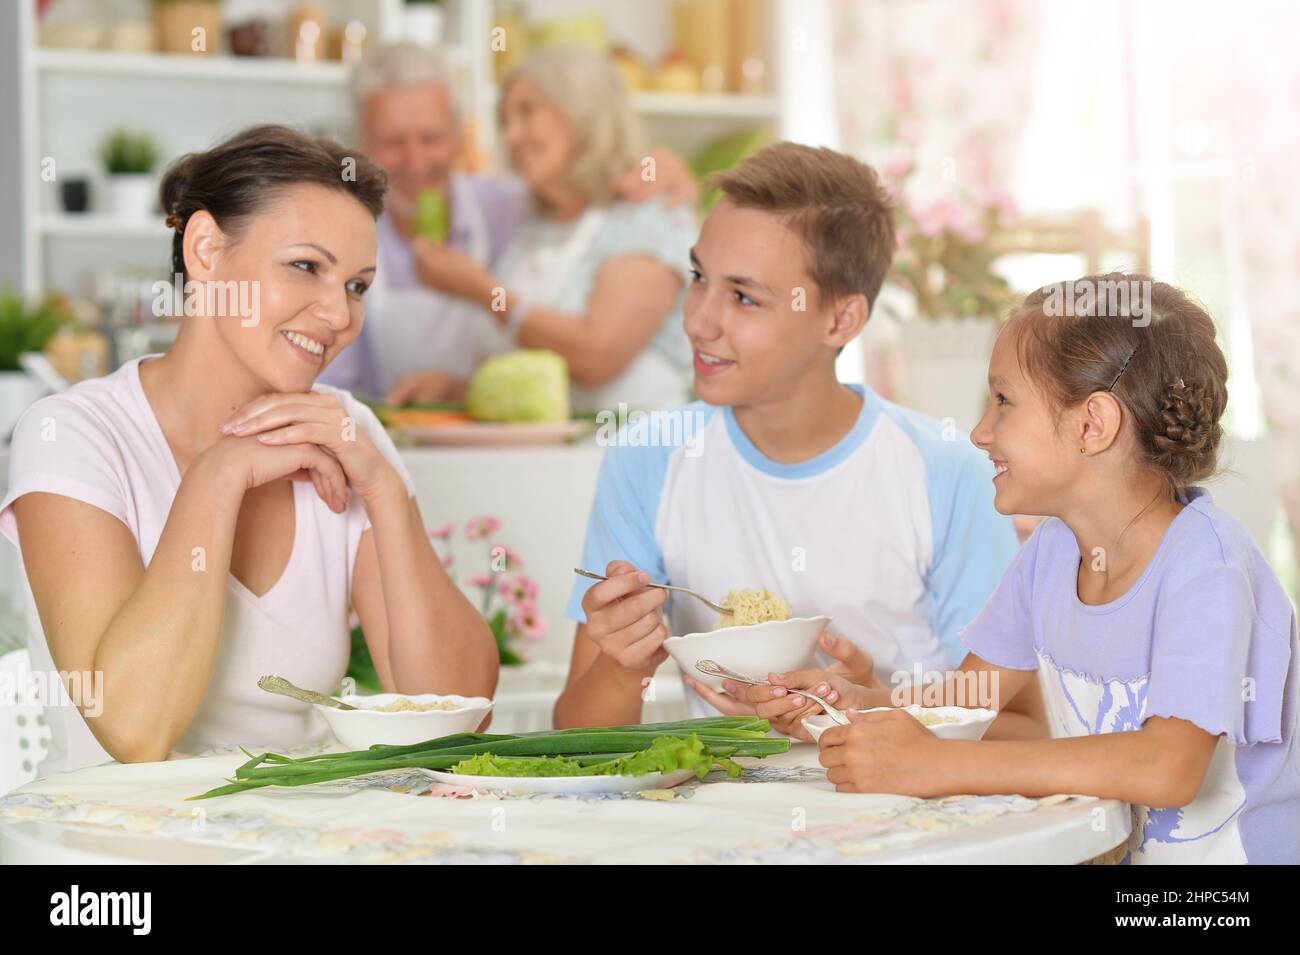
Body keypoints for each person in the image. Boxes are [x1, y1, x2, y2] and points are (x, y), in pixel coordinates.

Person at [0, 125, 498, 777]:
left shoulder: (342, 431)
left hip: (296, 839)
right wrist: (220, 474)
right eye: (305, 266)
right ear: (205, 249)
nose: (339, 314)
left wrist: (386, 494)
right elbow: (133, 726)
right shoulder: (74, 434)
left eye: (357, 285)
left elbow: (456, 712)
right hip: (114, 847)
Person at [771, 276, 1300, 863]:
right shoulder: (1050, 552)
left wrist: (939, 764)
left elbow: (1168, 766)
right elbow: (968, 705)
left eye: (1002, 401)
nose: (979, 432)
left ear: (1092, 424)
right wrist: (863, 708)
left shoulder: (1207, 567)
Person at [555, 142, 1032, 733]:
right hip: (731, 810)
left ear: (841, 321)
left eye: (744, 297)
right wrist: (621, 669)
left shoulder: (946, 471)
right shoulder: (648, 459)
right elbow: (575, 735)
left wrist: (876, 706)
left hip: (908, 813)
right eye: (699, 277)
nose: (697, 320)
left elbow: (1022, 728)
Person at [319, 42, 697, 406]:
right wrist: (458, 392)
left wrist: (480, 289)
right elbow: (537, 380)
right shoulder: (535, 220)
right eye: (392, 141)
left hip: (629, 446)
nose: (511, 137)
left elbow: (596, 357)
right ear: (362, 143)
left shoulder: (521, 209)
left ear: (582, 112)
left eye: (527, 112)